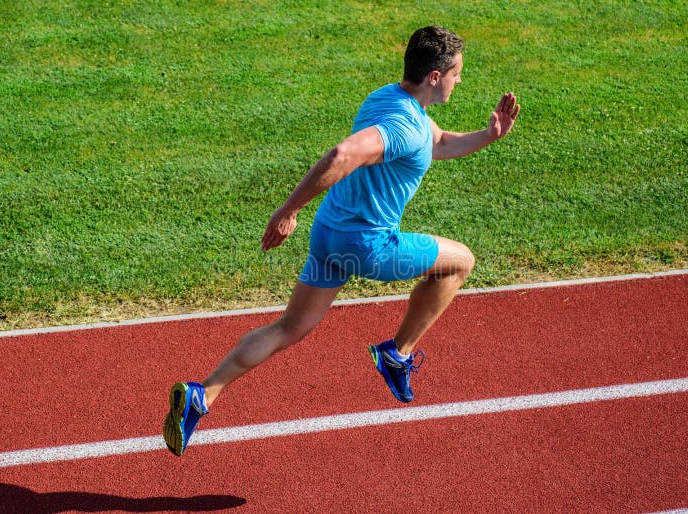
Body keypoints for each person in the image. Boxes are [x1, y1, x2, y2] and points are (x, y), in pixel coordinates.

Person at [163, 25, 520, 456]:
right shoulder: (404, 126)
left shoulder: (388, 98)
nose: (459, 80)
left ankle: (202, 394)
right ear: (434, 76)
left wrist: (489, 135)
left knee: (289, 328)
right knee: (461, 262)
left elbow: (438, 142)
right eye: (456, 73)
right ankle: (398, 354)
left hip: (328, 235)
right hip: (367, 247)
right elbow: (343, 155)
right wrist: (288, 210)